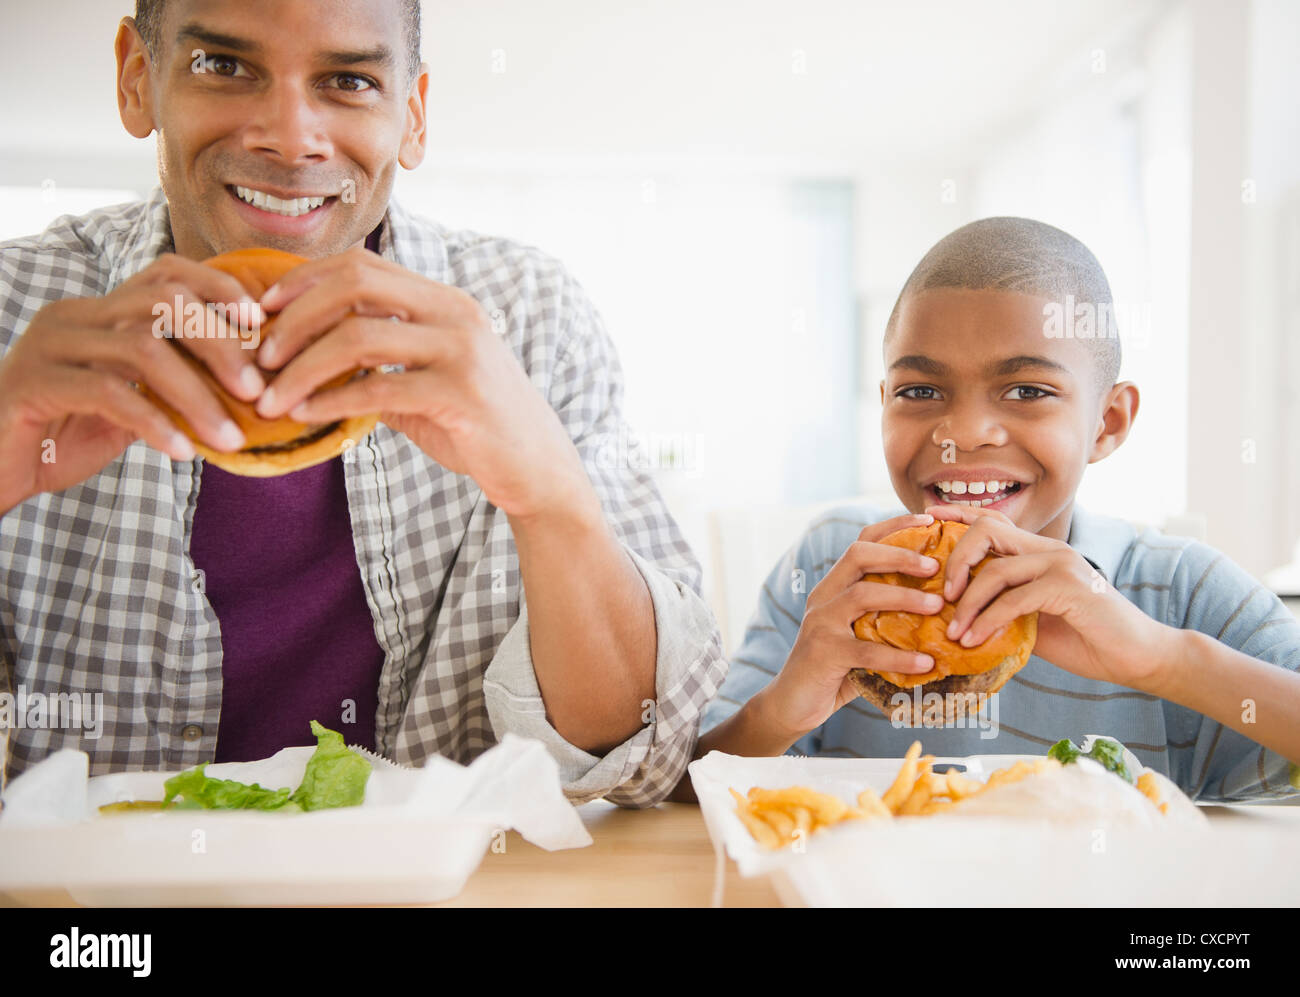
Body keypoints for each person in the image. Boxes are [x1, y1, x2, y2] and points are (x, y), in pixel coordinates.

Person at [0, 0, 724, 808]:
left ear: (411, 118)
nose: (290, 135)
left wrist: (551, 499)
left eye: (347, 80)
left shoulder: (529, 320)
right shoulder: (15, 308)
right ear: (139, 79)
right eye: (224, 66)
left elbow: (640, 760)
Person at [672, 217, 1300, 804]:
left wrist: (1164, 660)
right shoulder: (834, 566)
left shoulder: (1181, 592)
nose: (964, 432)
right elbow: (681, 790)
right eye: (921, 391)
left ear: (1107, 422)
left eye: (1028, 391)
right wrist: (783, 710)